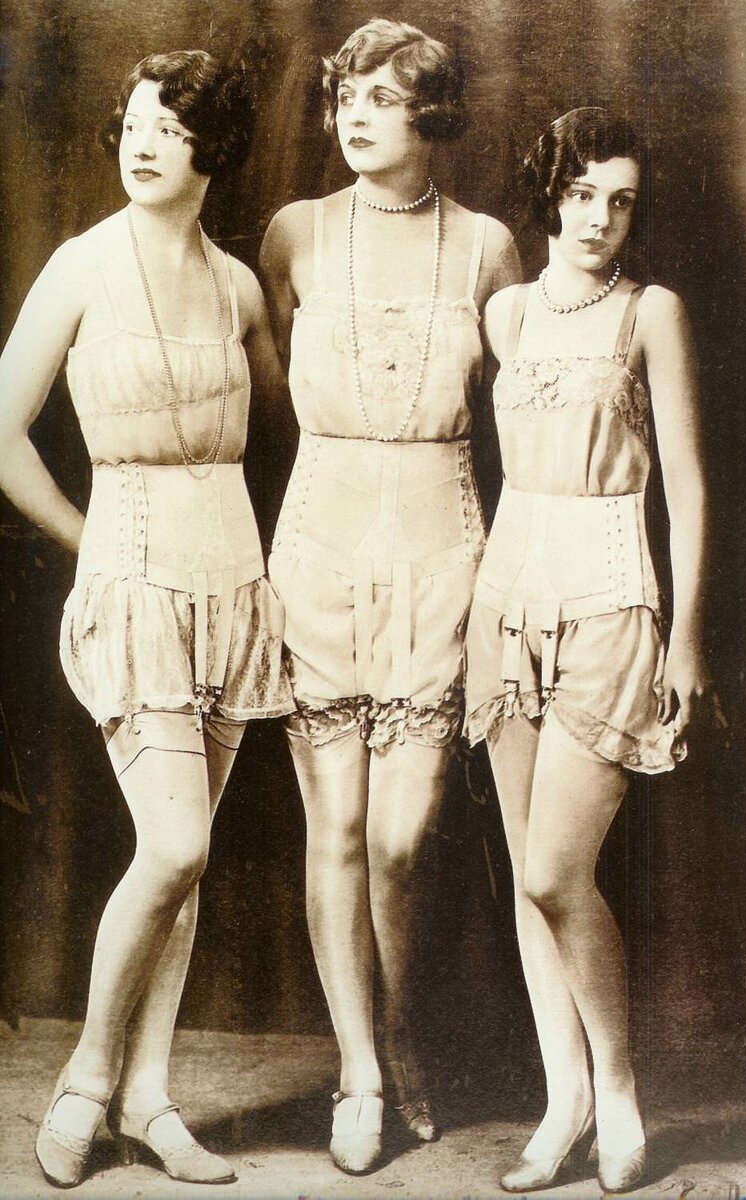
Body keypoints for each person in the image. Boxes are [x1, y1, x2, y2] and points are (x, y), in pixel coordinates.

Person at [0, 50, 293, 1188]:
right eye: (131, 123)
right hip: (132, 586)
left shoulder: (238, 287)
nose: (142, 143)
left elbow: (293, 432)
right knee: (175, 845)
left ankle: (151, 1097)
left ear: (212, 148)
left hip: (233, 584)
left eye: (168, 128)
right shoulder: (81, 266)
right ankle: (87, 1080)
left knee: (187, 861)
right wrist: (91, 544)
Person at [259, 18, 520, 1175]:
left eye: (380, 97)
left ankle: (404, 1027)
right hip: (319, 538)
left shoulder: (487, 247)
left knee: (403, 838)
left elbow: (524, 411)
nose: (353, 117)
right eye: (343, 98)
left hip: (440, 541)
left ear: (432, 113)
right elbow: (271, 384)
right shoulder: (295, 232)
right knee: (337, 829)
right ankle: (360, 1071)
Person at [465, 108, 718, 1193]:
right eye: (579, 194)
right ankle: (561, 1097)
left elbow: (687, 485)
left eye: (619, 200)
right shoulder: (506, 313)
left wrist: (686, 634)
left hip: (611, 596)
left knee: (556, 871)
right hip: (505, 599)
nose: (597, 218)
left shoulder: (651, 312)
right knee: (526, 882)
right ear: (548, 195)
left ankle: (616, 1090)